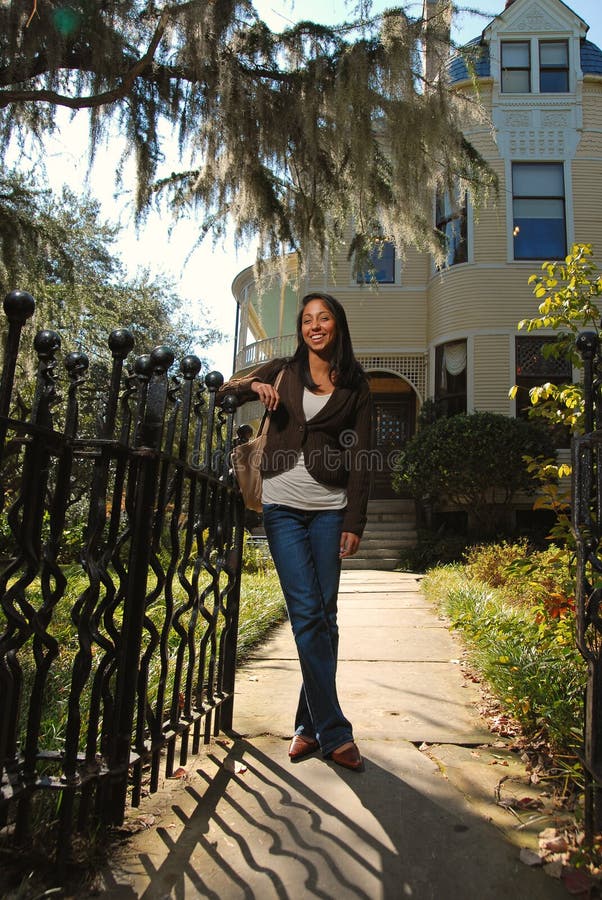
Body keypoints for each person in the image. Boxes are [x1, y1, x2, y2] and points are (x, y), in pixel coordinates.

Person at [219, 291, 372, 772]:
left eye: (323, 318)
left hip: (331, 510)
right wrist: (254, 387)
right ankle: (335, 731)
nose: (314, 326)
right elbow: (223, 392)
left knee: (325, 617)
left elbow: (362, 458)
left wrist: (355, 521)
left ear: (337, 326)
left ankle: (307, 725)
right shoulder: (283, 369)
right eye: (307, 320)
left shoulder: (356, 384)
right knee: (307, 613)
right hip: (282, 506)